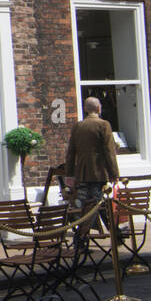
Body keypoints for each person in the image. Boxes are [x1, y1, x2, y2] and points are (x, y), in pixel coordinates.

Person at [65, 96, 121, 234]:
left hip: (82, 174)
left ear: (85, 109)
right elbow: (109, 152)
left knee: (90, 205)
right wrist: (114, 174)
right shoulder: (104, 125)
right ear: (99, 108)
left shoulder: (78, 126)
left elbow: (71, 152)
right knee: (96, 204)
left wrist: (70, 174)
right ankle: (82, 237)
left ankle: (114, 233)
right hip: (98, 173)